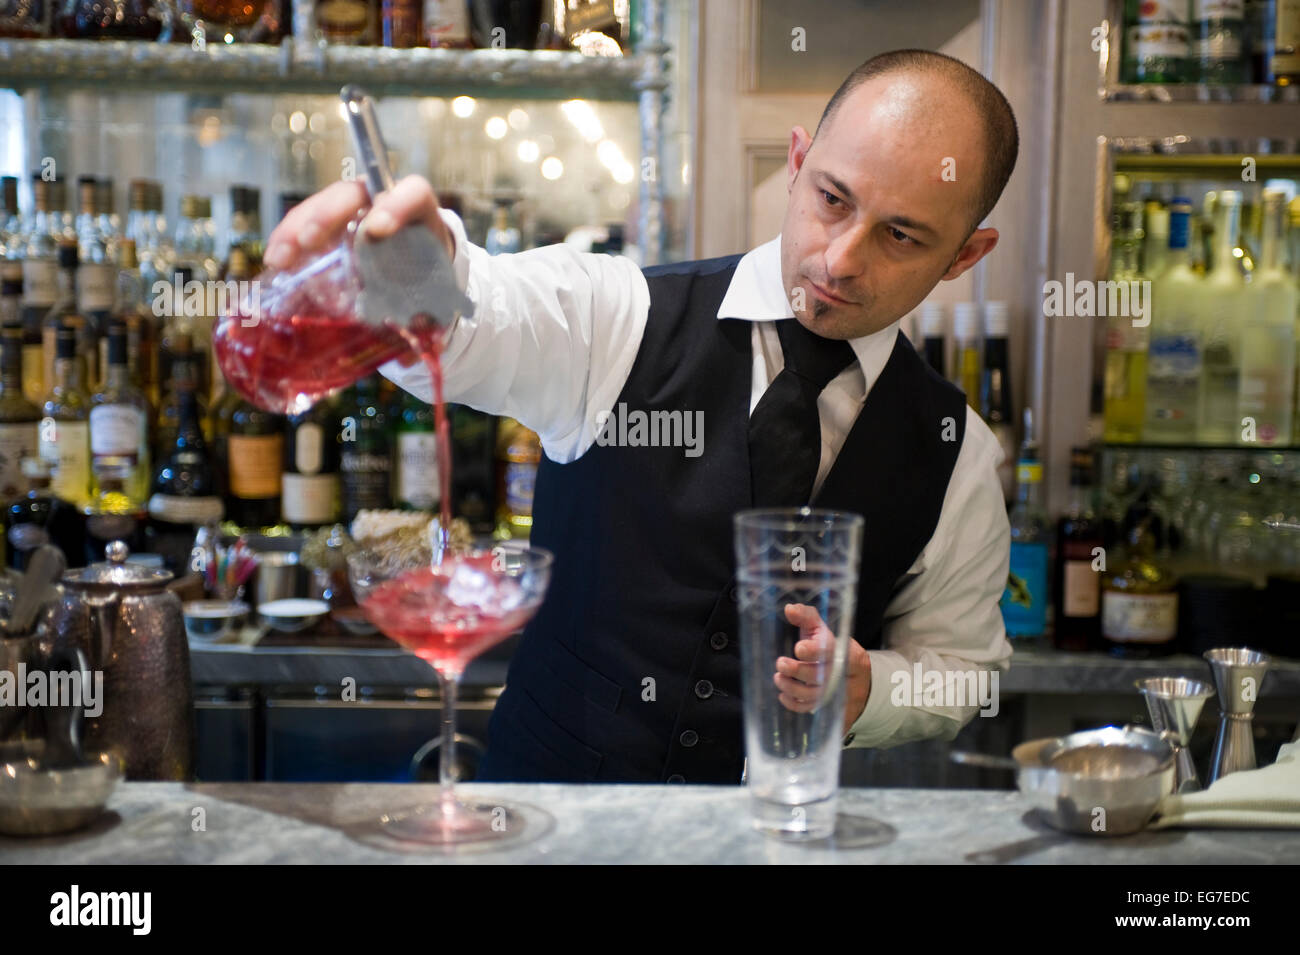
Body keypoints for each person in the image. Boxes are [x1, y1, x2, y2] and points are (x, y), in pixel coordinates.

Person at [264, 49, 1018, 784]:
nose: (842, 259)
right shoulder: (620, 319)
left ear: (964, 254)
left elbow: (965, 671)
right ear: (796, 163)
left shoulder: (959, 454)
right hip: (548, 831)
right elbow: (478, 319)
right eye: (832, 198)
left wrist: (871, 693)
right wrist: (416, 271)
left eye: (901, 234)